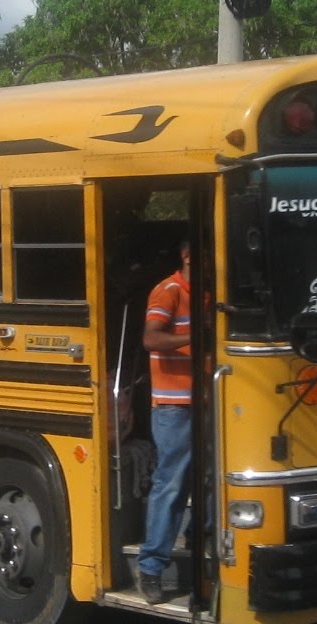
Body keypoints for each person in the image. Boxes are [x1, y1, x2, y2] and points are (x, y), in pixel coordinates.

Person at [138, 239, 191, 605]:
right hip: (173, 405)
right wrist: (197, 336)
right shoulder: (168, 290)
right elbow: (151, 337)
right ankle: (152, 567)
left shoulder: (208, 293)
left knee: (205, 481)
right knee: (171, 484)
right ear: (188, 256)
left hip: (205, 401)